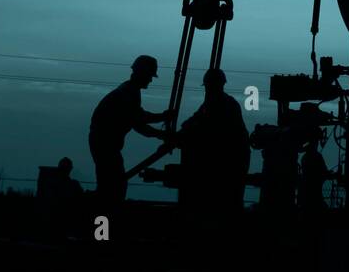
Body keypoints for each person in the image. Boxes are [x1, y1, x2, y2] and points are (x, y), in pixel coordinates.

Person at [88, 55, 168, 214]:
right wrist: (162, 123)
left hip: (105, 145)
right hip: (104, 145)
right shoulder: (127, 93)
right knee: (111, 190)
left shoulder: (130, 91)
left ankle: (102, 230)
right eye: (150, 76)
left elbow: (138, 122)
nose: (151, 81)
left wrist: (161, 126)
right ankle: (101, 233)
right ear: (142, 73)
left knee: (114, 187)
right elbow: (139, 121)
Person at [177, 67, 250, 218]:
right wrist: (182, 131)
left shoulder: (223, 104)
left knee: (227, 201)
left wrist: (183, 135)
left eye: (209, 86)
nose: (207, 90)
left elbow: (207, 127)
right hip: (229, 158)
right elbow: (195, 120)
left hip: (232, 160)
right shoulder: (211, 103)